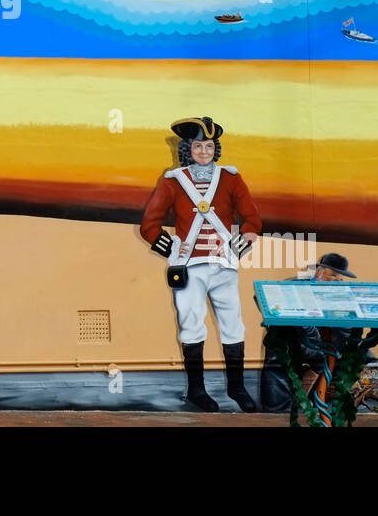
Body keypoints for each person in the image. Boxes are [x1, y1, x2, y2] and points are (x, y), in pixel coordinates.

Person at [140, 116, 262, 412]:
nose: (204, 152)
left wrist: (245, 237)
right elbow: (149, 225)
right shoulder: (172, 181)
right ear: (187, 148)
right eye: (198, 146)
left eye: (209, 146)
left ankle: (237, 388)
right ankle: (197, 390)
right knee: (191, 326)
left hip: (224, 264)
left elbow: (253, 219)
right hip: (189, 266)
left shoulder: (231, 178)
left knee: (233, 325)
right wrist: (169, 246)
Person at [259, 252, 355, 413]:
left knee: (343, 357)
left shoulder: (341, 295)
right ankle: (277, 408)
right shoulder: (293, 287)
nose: (338, 282)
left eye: (340, 279)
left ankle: (310, 401)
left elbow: (345, 330)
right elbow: (270, 308)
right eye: (333, 277)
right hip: (293, 342)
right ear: (319, 272)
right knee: (280, 355)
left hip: (320, 345)